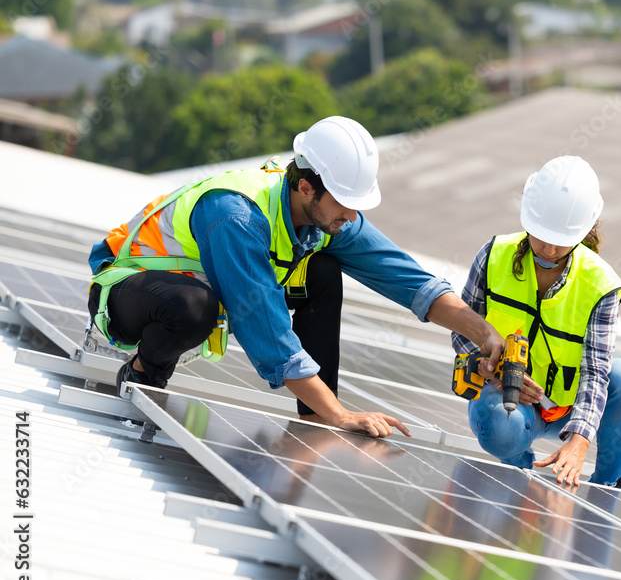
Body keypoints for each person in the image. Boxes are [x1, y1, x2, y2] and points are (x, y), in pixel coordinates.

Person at [88, 116, 503, 438]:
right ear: (306, 187)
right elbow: (264, 329)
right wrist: (342, 415)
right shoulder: (236, 216)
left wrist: (483, 332)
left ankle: (315, 417)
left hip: (195, 288)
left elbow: (409, 281)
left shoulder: (326, 215)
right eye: (345, 202)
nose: (353, 215)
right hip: (127, 292)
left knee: (322, 271)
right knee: (193, 307)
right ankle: (142, 374)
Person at [452, 155, 621, 489]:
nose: (549, 247)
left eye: (562, 239)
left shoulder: (600, 284)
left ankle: (608, 483)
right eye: (542, 234)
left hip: (570, 408)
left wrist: (580, 440)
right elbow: (463, 328)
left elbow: (596, 371)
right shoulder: (493, 255)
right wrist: (491, 367)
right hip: (507, 401)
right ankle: (520, 471)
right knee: (499, 425)